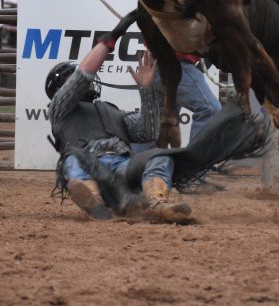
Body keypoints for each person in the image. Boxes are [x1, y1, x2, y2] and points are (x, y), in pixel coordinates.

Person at [47, 28, 194, 223]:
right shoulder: (59, 109)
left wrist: (146, 90)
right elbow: (79, 80)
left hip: (123, 164)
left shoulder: (113, 110)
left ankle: (157, 203)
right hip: (86, 162)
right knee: (73, 158)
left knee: (160, 156)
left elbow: (148, 131)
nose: (81, 84)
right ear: (58, 89)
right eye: (68, 79)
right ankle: (92, 199)